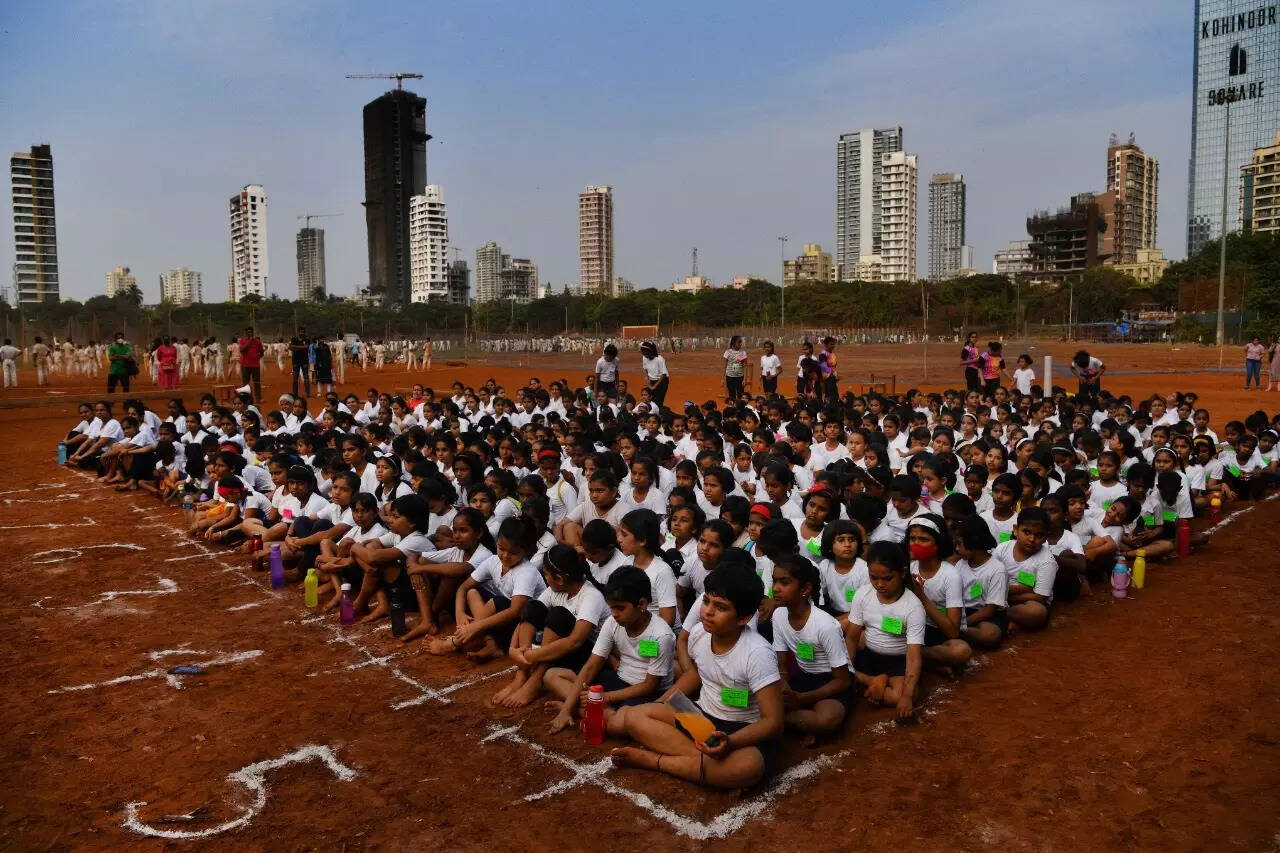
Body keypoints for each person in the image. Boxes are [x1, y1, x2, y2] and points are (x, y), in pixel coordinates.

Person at [611, 560, 782, 789]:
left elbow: (773, 721)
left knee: (746, 768)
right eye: (706, 601)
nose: (708, 611)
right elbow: (697, 675)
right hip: (702, 716)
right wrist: (661, 704)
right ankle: (703, 760)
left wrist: (731, 742)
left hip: (741, 729)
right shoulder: (700, 633)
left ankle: (654, 760)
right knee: (635, 716)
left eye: (721, 607)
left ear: (743, 618)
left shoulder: (758, 652)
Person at [546, 566, 676, 736]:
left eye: (620, 608)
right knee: (552, 675)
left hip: (645, 693)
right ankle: (587, 709)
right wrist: (566, 710)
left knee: (618, 722)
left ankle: (591, 710)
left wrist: (606, 697)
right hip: (618, 679)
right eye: (611, 607)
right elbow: (592, 666)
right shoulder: (612, 622)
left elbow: (650, 686)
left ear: (642, 604)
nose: (614, 614)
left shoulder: (661, 635)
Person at [491, 544, 609, 708]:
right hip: (561, 651)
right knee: (533, 607)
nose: (545, 577)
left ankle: (535, 681)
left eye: (546, 574)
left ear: (559, 579)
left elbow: (574, 642)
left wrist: (534, 655)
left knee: (558, 616)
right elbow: (529, 615)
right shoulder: (555, 590)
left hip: (590, 656)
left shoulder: (591, 596)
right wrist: (514, 650)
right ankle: (523, 673)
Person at [769, 554, 852, 745]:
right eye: (774, 581)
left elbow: (843, 680)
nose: (775, 588)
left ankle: (779, 721)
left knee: (827, 719)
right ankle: (795, 722)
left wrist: (802, 699)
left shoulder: (825, 625)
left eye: (784, 582)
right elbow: (782, 665)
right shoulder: (779, 615)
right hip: (803, 678)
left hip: (831, 682)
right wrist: (785, 688)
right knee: (760, 700)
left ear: (805, 589)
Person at [843, 540, 924, 720]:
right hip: (869, 655)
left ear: (902, 573)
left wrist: (907, 697)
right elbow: (852, 637)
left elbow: (913, 656)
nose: (879, 584)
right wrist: (848, 669)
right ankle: (872, 680)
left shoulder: (913, 607)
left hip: (898, 662)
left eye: (887, 578)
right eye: (873, 577)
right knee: (833, 670)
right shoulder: (862, 594)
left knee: (899, 696)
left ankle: (866, 681)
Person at [238, 326, 265, 402]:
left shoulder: (257, 341)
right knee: (245, 382)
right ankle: (246, 398)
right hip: (245, 365)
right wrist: (249, 341)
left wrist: (256, 358)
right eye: (248, 332)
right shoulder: (242, 340)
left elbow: (261, 352)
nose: (250, 333)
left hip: (255, 365)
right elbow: (241, 349)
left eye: (251, 332)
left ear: (253, 332)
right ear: (246, 333)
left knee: (257, 382)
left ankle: (258, 398)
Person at [640, 341, 669, 407]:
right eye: (643, 353)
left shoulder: (659, 359)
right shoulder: (644, 357)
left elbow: (663, 374)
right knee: (649, 399)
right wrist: (647, 381)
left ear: (651, 351)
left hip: (662, 382)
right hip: (652, 381)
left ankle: (659, 411)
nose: (645, 355)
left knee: (658, 401)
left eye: (646, 353)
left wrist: (654, 386)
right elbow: (645, 369)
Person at [723, 335, 748, 401]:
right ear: (733, 342)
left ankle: (740, 406)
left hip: (739, 378)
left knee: (740, 395)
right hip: (730, 377)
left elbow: (745, 366)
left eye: (741, 342)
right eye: (739, 342)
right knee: (731, 395)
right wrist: (723, 378)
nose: (740, 344)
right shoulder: (728, 352)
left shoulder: (742, 353)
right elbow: (725, 366)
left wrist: (744, 379)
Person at [290, 328, 311, 398]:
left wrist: (295, 347)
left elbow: (307, 347)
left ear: (305, 332)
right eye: (300, 332)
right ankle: (295, 394)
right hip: (295, 361)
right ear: (298, 332)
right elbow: (291, 347)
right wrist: (302, 347)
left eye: (303, 332)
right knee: (295, 378)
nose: (302, 333)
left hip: (304, 361)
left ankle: (308, 393)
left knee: (306, 377)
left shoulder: (307, 339)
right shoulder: (294, 339)